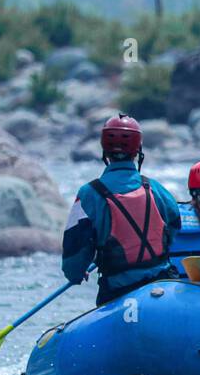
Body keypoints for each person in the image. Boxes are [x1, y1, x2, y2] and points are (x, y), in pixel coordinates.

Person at [61, 114, 182, 305]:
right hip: (162, 286)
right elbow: (175, 225)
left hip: (117, 290)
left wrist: (75, 273)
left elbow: (74, 248)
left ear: (104, 150)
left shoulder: (88, 194)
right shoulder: (156, 189)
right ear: (138, 150)